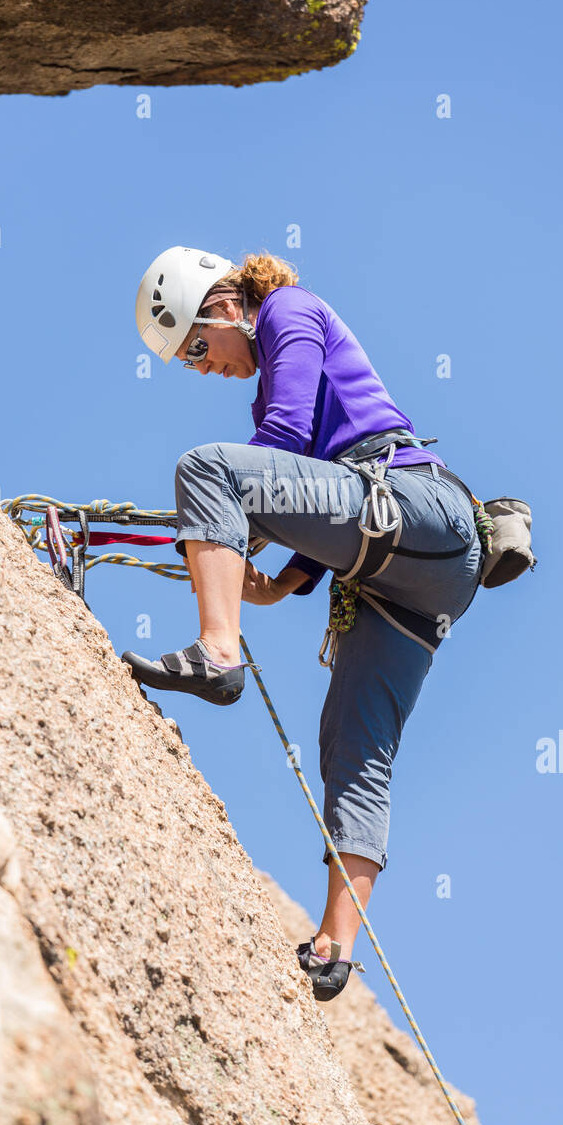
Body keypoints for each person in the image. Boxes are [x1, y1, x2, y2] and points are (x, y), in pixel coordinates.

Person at [123, 246, 483, 999]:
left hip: (414, 509)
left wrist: (219, 523)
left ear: (223, 306)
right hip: (415, 574)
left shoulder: (288, 310)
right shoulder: (270, 367)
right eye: (188, 362)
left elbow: (286, 441)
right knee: (354, 748)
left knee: (206, 469)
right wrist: (283, 582)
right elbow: (312, 485)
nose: (200, 367)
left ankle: (220, 653)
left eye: (195, 347)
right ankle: (334, 946)